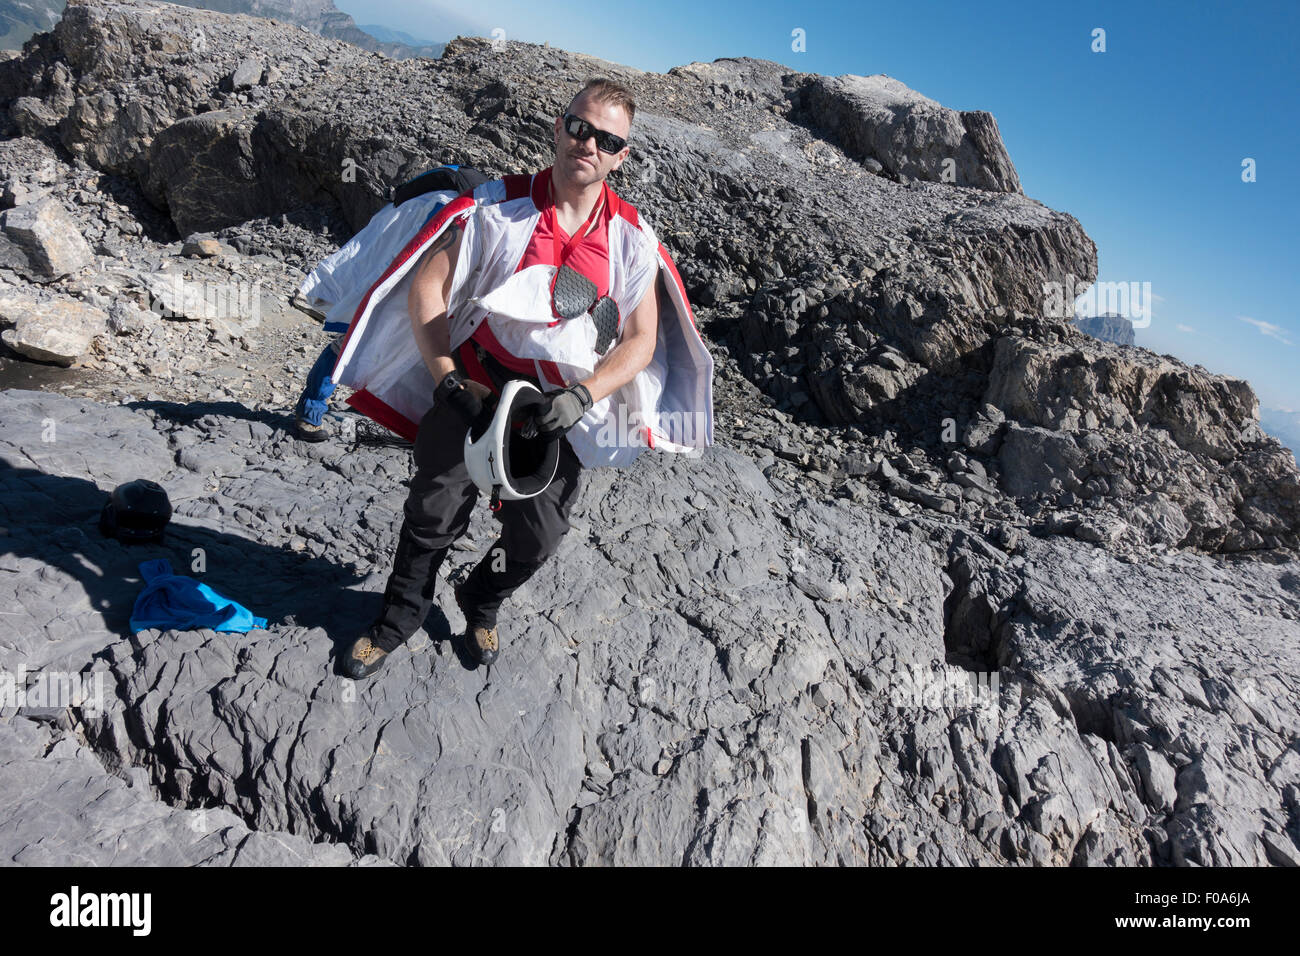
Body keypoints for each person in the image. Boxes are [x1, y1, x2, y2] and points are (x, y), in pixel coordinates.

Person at [338, 78, 714, 679]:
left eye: (606, 139)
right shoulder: (499, 207)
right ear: (560, 127)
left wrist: (584, 397)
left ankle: (479, 599)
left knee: (537, 537)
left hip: (558, 405)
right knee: (434, 509)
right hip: (477, 387)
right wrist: (447, 382)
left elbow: (642, 338)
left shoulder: (630, 239)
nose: (587, 144)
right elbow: (428, 287)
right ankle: (399, 617)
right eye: (579, 127)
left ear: (621, 155)